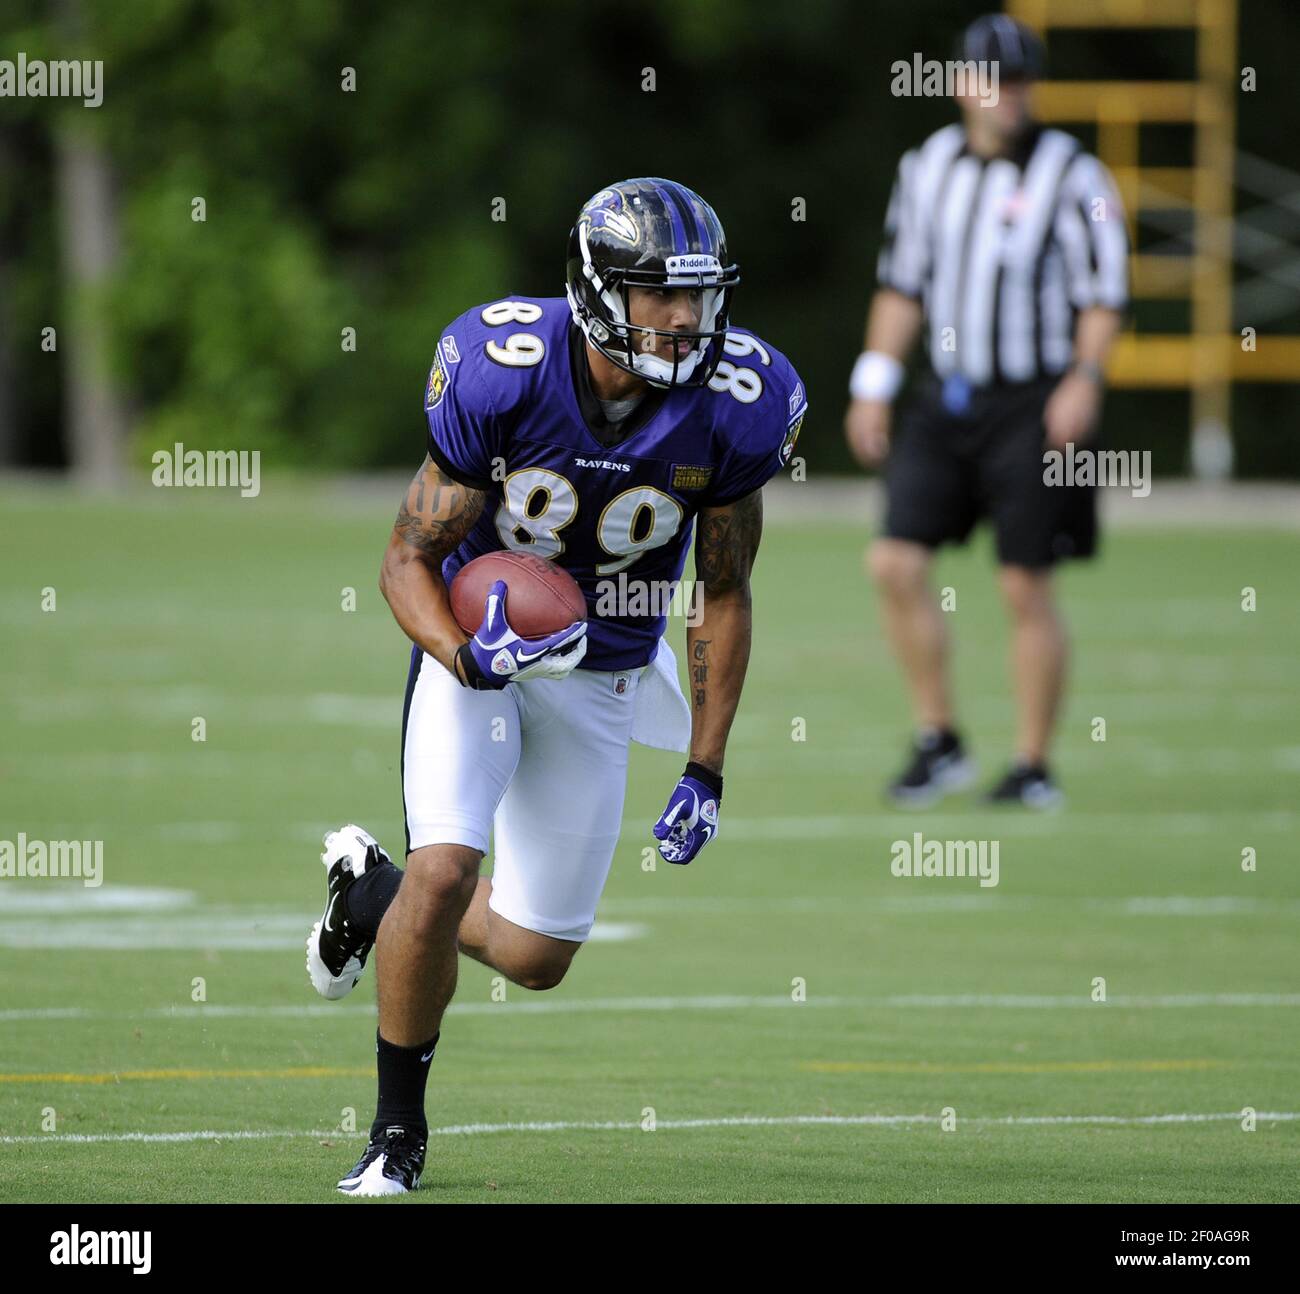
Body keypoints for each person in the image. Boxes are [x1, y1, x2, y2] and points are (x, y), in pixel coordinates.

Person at [305, 178, 807, 1195]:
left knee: (536, 955)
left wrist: (706, 768)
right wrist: (461, 654)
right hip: (480, 642)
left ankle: (369, 890)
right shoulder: (504, 372)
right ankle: (395, 1137)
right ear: (592, 293)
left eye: (697, 295)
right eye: (656, 294)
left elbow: (721, 590)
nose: (683, 318)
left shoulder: (734, 407)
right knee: (447, 869)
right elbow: (406, 557)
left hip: (606, 669)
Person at [844, 14, 1128, 808]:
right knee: (894, 562)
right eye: (997, 80)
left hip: (1034, 398)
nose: (1011, 96)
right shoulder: (928, 165)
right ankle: (939, 738)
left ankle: (1033, 763)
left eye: (1023, 81)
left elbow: (1104, 292)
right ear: (963, 83)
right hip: (948, 394)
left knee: (1022, 583)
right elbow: (902, 282)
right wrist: (874, 380)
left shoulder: (1073, 174)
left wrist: (1084, 378)